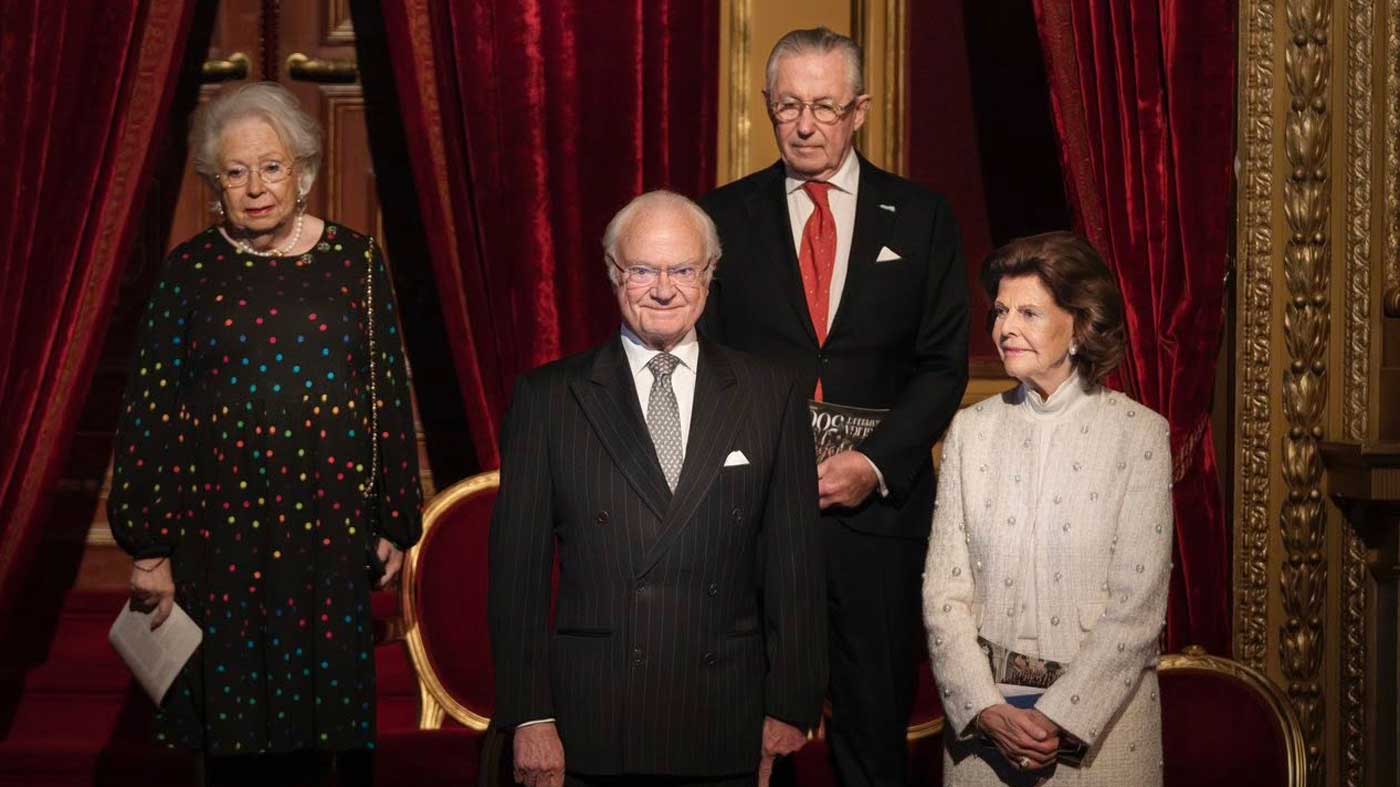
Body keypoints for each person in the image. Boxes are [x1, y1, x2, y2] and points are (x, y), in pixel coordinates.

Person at [109, 82, 422, 786]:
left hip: (327, 534)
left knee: (326, 748)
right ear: (216, 185)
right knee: (234, 748)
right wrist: (150, 547)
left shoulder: (356, 264)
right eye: (236, 172)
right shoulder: (189, 271)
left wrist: (393, 516)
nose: (256, 187)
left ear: (303, 172)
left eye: (271, 166)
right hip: (221, 540)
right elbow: (150, 412)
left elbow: (385, 396)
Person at [698, 27, 969, 787]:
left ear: (860, 111)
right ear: (767, 109)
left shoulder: (921, 218)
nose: (805, 124)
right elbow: (704, 366)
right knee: (752, 738)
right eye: (788, 106)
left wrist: (874, 463)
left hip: (877, 524)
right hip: (753, 518)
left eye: (824, 106)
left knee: (871, 736)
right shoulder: (721, 217)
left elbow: (942, 367)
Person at [489, 191, 827, 787]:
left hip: (727, 716)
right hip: (591, 720)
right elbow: (518, 575)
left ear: (709, 275)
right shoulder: (550, 399)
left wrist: (791, 702)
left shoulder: (769, 394)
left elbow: (795, 564)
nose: (664, 289)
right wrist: (531, 714)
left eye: (683, 270)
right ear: (614, 276)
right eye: (643, 270)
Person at [922, 232, 1172, 785]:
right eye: (1001, 310)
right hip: (984, 736)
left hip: (1101, 734)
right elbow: (944, 594)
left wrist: (1061, 718)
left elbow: (1137, 609)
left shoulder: (1139, 436)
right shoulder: (972, 430)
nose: (1005, 327)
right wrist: (986, 710)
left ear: (1080, 325)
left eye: (1029, 312)